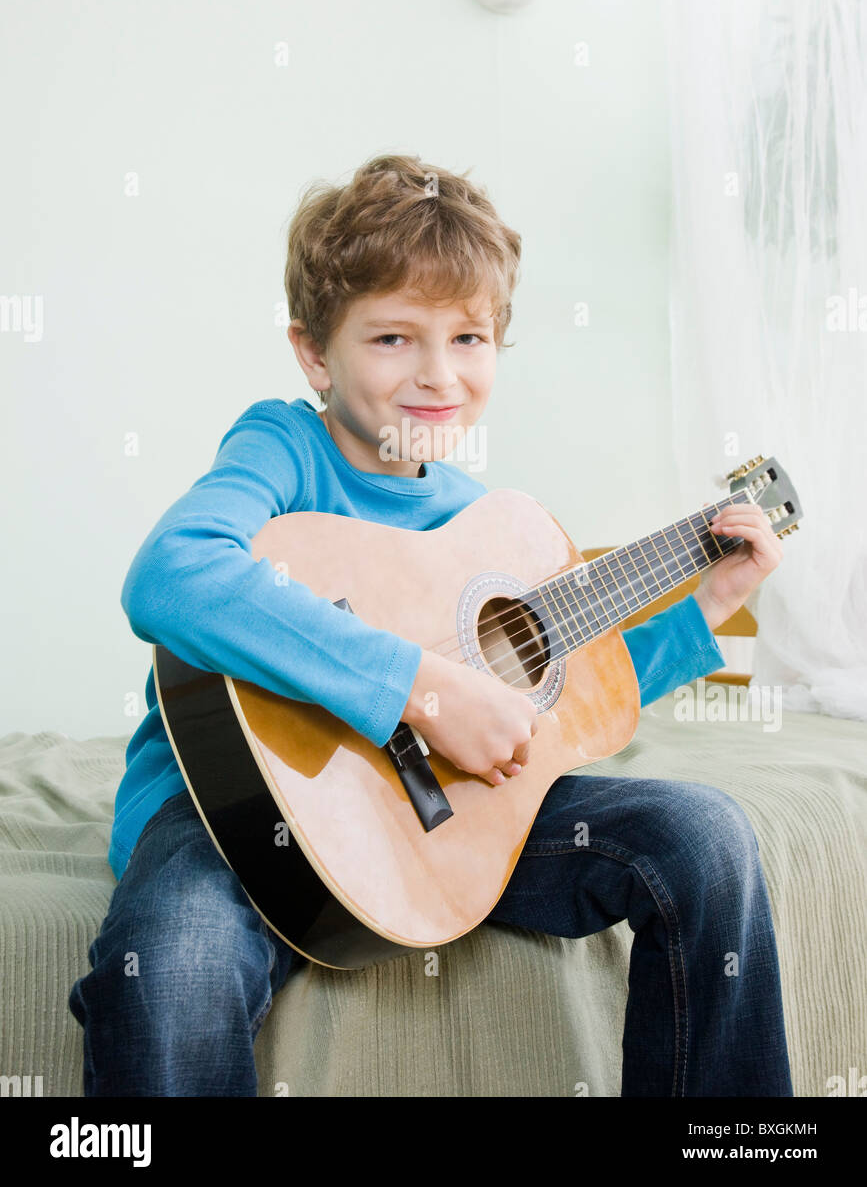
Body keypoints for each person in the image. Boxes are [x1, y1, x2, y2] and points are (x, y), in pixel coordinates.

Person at [69, 153, 793, 1097]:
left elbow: (568, 702)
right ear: (313, 353)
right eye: (392, 340)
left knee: (706, 838)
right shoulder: (284, 448)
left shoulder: (482, 524)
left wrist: (703, 611)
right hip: (240, 820)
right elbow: (173, 575)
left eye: (469, 338)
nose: (437, 375)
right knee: (175, 966)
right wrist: (422, 687)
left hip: (437, 826)